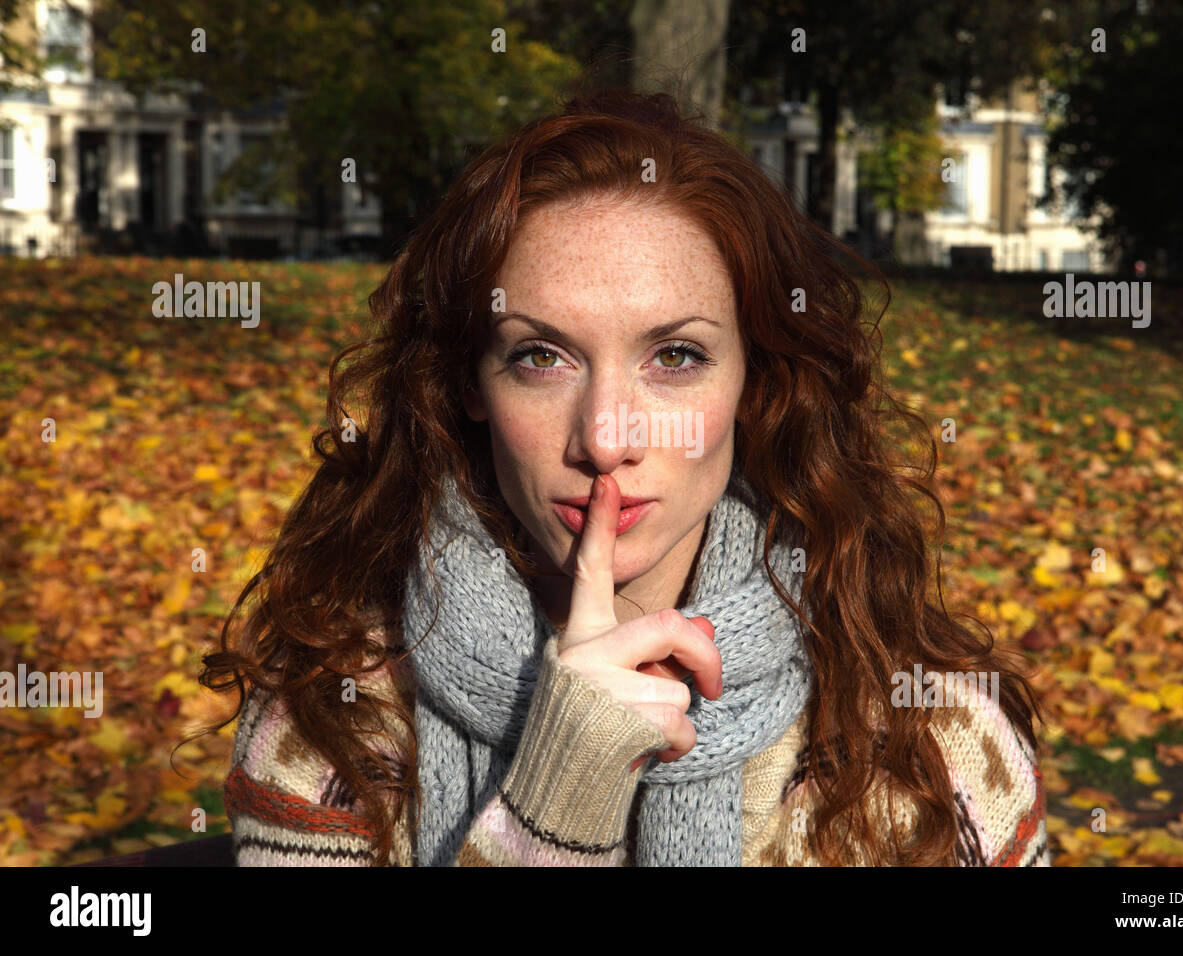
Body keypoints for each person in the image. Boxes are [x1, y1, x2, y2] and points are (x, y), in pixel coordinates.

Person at [198, 85, 1049, 867]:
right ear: (468, 385)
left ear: (757, 380)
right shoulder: (333, 723)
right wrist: (558, 801)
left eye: (675, 356)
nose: (606, 438)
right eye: (541, 356)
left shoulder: (934, 738)